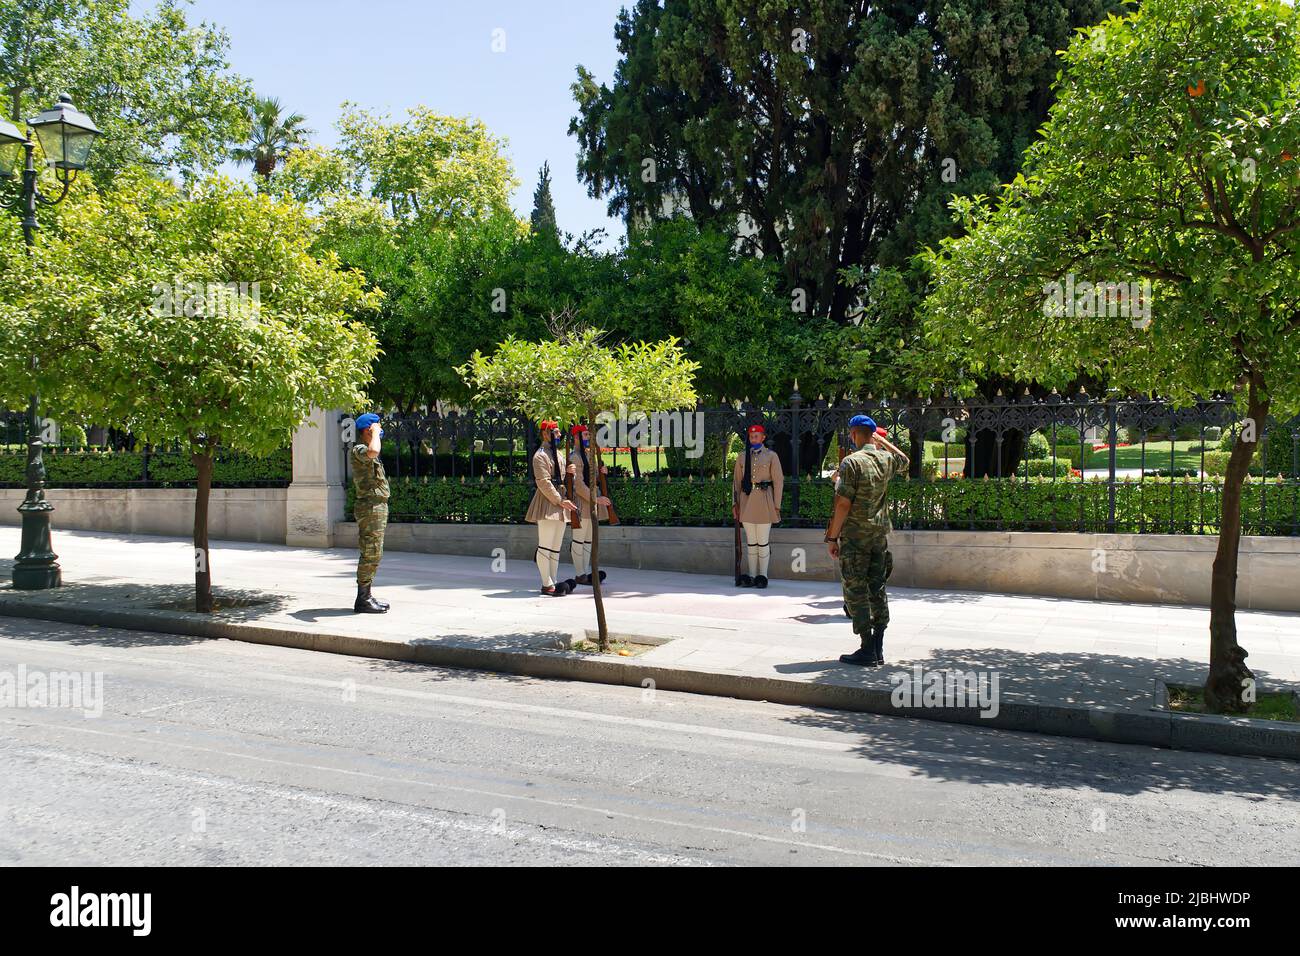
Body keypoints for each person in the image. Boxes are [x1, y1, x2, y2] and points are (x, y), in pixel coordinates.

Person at [825, 414, 909, 666]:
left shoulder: (851, 462)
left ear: (853, 434)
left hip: (855, 537)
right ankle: (878, 647)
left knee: (856, 590)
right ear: (872, 435)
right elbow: (905, 460)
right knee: (877, 588)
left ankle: (866, 648)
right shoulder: (885, 459)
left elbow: (843, 504)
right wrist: (882, 442)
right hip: (878, 536)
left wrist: (832, 537)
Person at [526, 420, 579, 596]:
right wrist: (560, 500)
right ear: (545, 434)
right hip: (548, 502)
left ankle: (553, 581)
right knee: (545, 545)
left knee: (556, 546)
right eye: (555, 432)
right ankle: (546, 583)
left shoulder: (559, 454)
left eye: (558, 432)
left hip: (561, 502)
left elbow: (563, 479)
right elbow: (543, 482)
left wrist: (570, 473)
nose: (559, 435)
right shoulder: (540, 456)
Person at [732, 422, 784, 588]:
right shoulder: (742, 456)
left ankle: (763, 576)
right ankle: (753, 575)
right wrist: (735, 504)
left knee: (762, 542)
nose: (753, 439)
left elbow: (778, 481)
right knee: (751, 542)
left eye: (756, 436)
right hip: (746, 501)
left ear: (763, 438)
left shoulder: (771, 456)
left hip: (764, 500)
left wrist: (777, 505)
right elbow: (736, 482)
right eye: (751, 436)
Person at [351, 412, 390, 614]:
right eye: (377, 428)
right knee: (370, 551)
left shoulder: (366, 450)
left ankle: (367, 595)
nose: (380, 431)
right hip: (370, 507)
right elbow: (374, 451)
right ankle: (363, 599)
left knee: (375, 552)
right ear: (368, 430)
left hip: (376, 506)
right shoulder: (359, 449)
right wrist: (375, 432)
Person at [567, 424, 612, 586]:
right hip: (582, 502)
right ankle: (580, 574)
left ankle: (584, 572)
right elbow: (578, 485)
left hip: (591, 501)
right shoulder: (575, 457)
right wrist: (596, 499)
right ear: (577, 437)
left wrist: (602, 473)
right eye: (586, 435)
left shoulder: (588, 455)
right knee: (579, 540)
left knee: (588, 540)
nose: (589, 438)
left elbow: (592, 478)